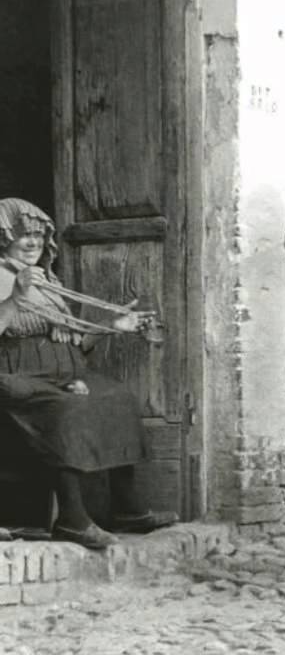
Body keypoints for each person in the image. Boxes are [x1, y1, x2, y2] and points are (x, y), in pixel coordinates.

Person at [0, 198, 177, 549]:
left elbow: (76, 338)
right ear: (4, 238)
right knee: (67, 411)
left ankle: (128, 508)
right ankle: (73, 520)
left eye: (38, 235)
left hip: (62, 371)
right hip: (16, 376)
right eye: (24, 236)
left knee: (117, 398)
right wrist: (15, 297)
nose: (34, 243)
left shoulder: (47, 280)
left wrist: (113, 325)